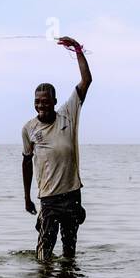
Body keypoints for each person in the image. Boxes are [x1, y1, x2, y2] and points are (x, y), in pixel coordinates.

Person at [22, 37, 92, 260]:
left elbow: (86, 80)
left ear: (54, 101)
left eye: (45, 101)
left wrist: (77, 49)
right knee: (44, 253)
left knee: (69, 250)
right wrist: (27, 198)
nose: (41, 105)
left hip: (72, 195)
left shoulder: (68, 114)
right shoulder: (29, 129)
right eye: (37, 101)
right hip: (49, 199)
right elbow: (26, 162)